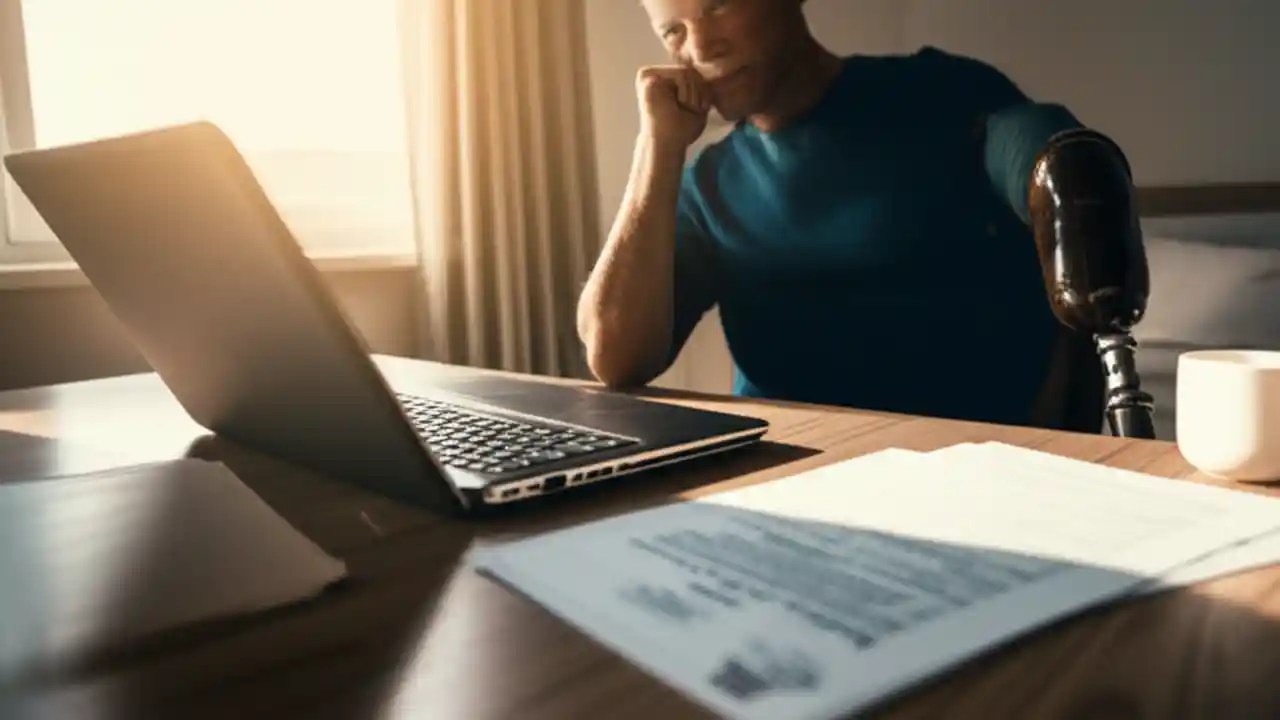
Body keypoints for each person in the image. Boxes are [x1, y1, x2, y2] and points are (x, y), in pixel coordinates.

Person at [576, 0, 1121, 428]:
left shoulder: (945, 95)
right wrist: (657, 148)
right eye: (673, 30)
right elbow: (615, 358)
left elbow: (1058, 169)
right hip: (785, 477)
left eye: (719, 4)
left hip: (964, 474)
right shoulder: (710, 182)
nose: (701, 45)